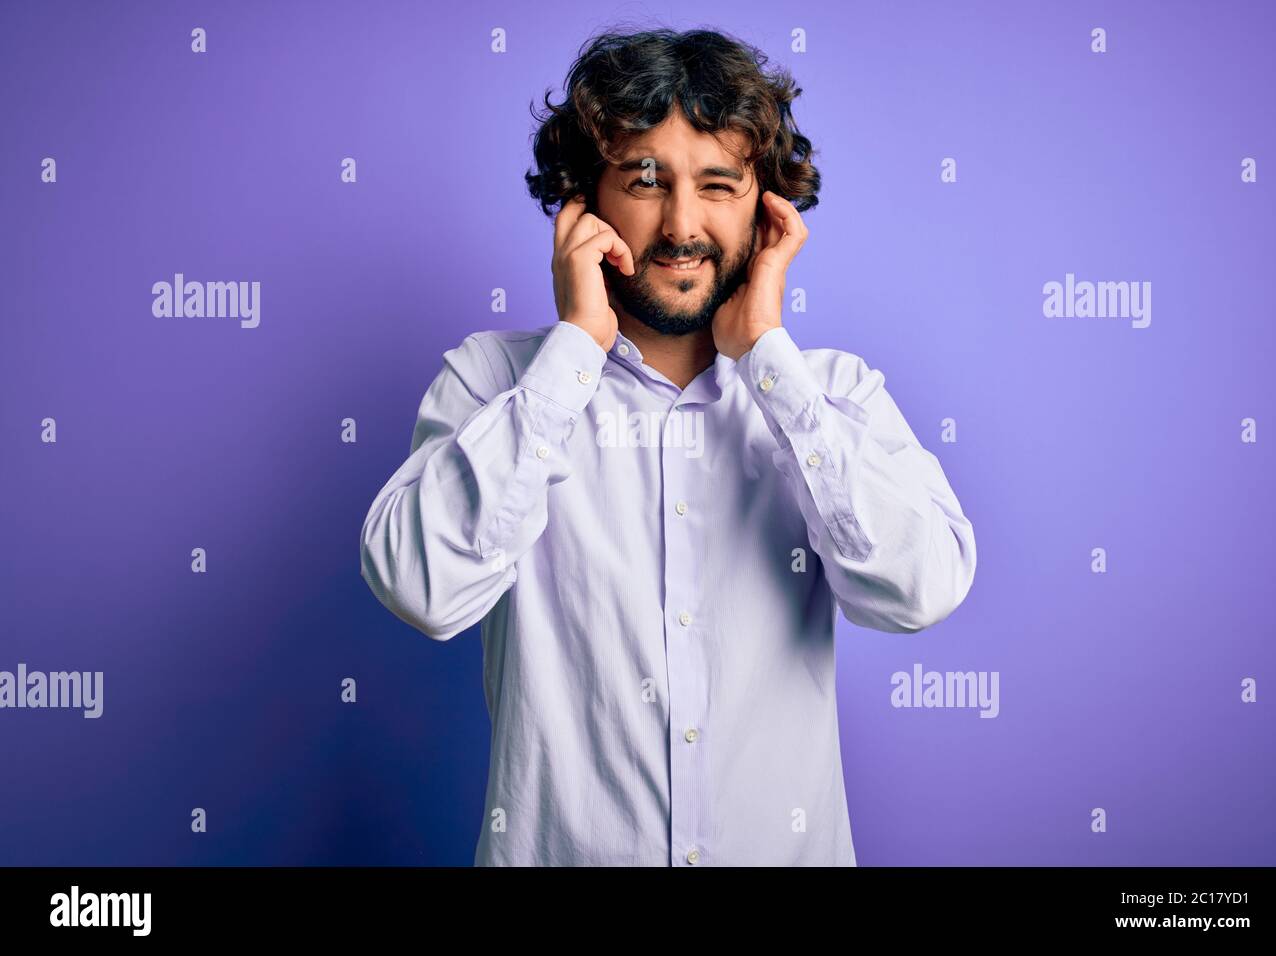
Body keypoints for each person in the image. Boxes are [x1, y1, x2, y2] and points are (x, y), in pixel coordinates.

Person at [359, 27, 977, 866]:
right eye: (645, 181)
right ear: (585, 201)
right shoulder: (491, 384)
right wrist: (575, 346)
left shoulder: (834, 396)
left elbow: (918, 590)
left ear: (765, 208)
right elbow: (421, 589)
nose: (682, 224)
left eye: (718, 184)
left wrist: (770, 363)